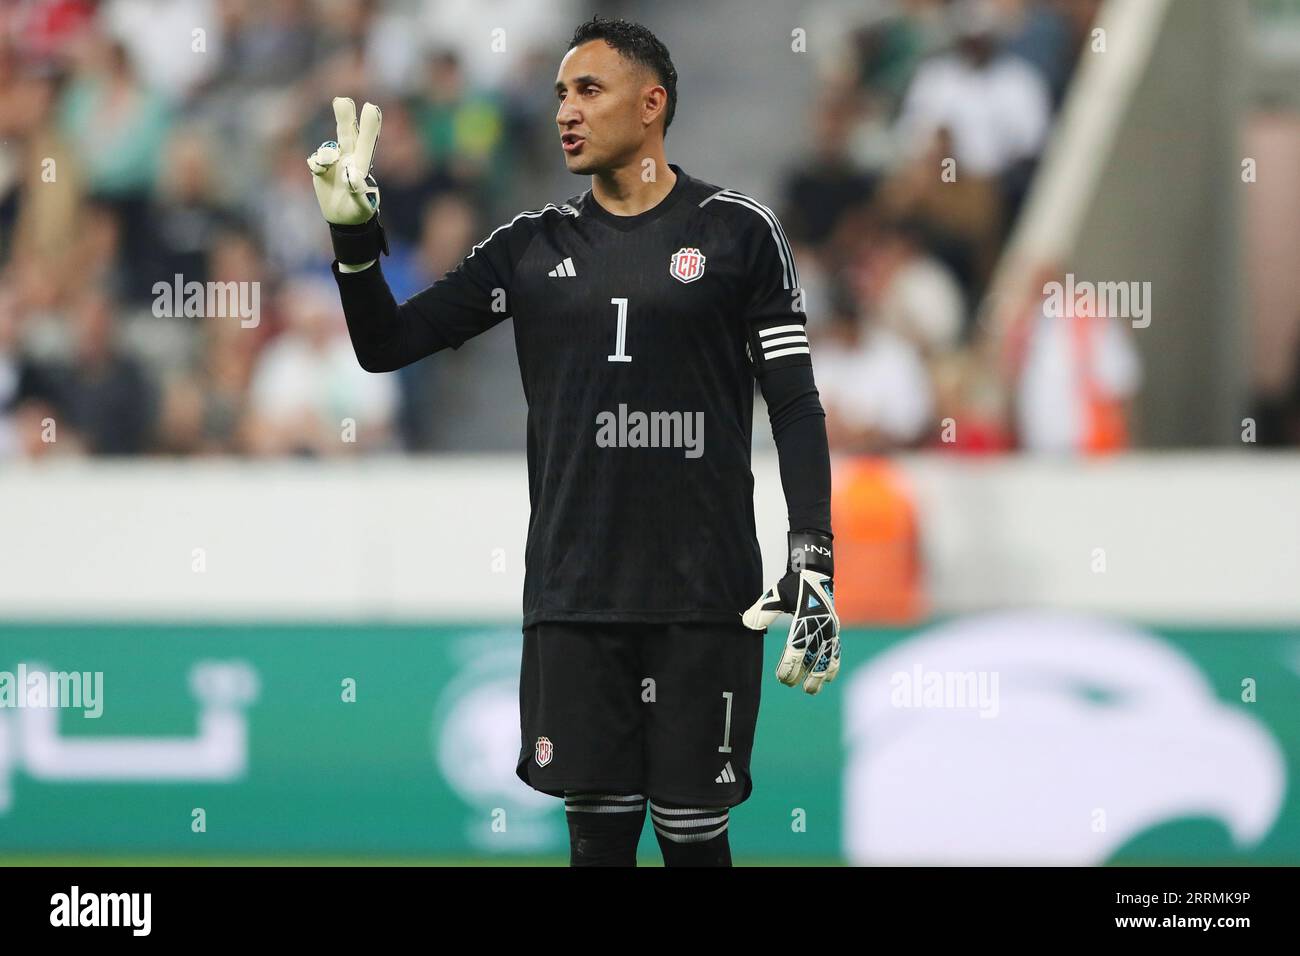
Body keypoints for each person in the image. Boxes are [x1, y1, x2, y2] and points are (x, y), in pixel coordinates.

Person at [308, 15, 839, 867]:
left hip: (704, 598)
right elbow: (384, 347)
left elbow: (796, 403)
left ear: (652, 103)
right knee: (597, 842)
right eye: (559, 94)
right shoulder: (528, 248)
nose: (565, 111)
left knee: (695, 842)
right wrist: (354, 242)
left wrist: (812, 551)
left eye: (588, 90)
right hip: (574, 597)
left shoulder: (740, 233)